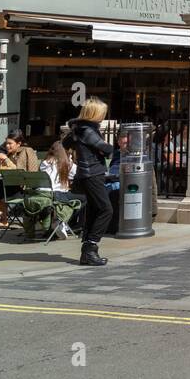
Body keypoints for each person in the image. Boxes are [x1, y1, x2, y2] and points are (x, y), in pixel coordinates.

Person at [63, 97, 125, 267]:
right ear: (94, 113)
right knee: (106, 210)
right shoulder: (87, 130)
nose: (103, 117)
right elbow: (105, 148)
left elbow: (65, 142)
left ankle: (87, 252)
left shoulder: (79, 129)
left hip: (87, 174)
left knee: (93, 210)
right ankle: (91, 246)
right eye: (102, 113)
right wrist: (112, 150)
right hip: (92, 174)